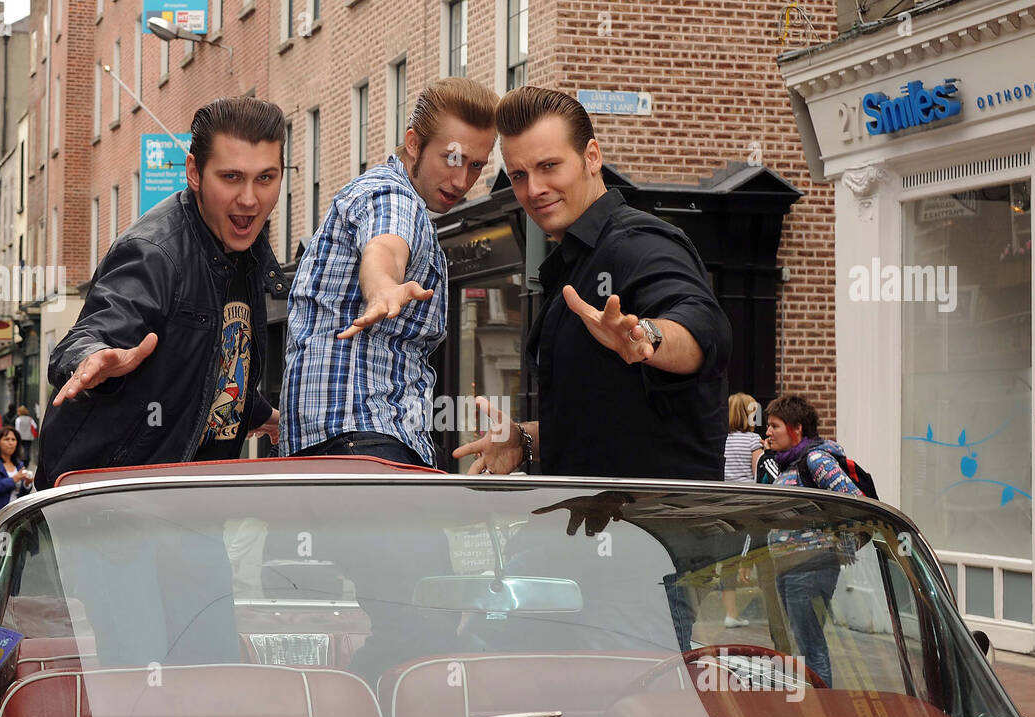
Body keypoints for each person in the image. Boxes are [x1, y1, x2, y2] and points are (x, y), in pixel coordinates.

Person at [454, 86, 731, 479]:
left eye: (549, 166)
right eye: (519, 175)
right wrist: (526, 440)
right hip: (590, 527)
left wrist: (647, 336)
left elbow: (705, 327)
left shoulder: (637, 243)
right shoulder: (572, 262)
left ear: (592, 157)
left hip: (653, 530)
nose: (533, 190)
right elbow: (608, 427)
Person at [36, 96, 289, 489]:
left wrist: (259, 414)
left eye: (265, 178)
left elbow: (206, 368)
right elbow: (92, 334)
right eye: (231, 177)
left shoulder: (244, 252)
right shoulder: (155, 253)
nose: (250, 199)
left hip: (188, 498)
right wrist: (93, 355)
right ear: (194, 172)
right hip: (110, 500)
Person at [280, 77, 498, 467]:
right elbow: (385, 243)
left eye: (476, 165)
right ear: (413, 143)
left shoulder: (377, 192)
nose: (462, 180)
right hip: (368, 439)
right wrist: (382, 288)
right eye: (451, 158)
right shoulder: (393, 196)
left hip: (329, 443)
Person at [761, 394, 864, 687]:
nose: (767, 433)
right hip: (789, 565)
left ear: (796, 429)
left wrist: (837, 546)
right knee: (801, 641)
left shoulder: (816, 459)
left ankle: (823, 708)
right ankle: (811, 706)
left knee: (810, 644)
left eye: (774, 426)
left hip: (809, 565)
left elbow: (855, 502)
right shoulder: (789, 463)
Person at [721, 392, 764, 628]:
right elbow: (759, 475)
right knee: (755, 552)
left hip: (725, 508)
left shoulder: (722, 440)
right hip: (747, 506)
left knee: (727, 560)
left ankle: (730, 613)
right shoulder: (752, 441)